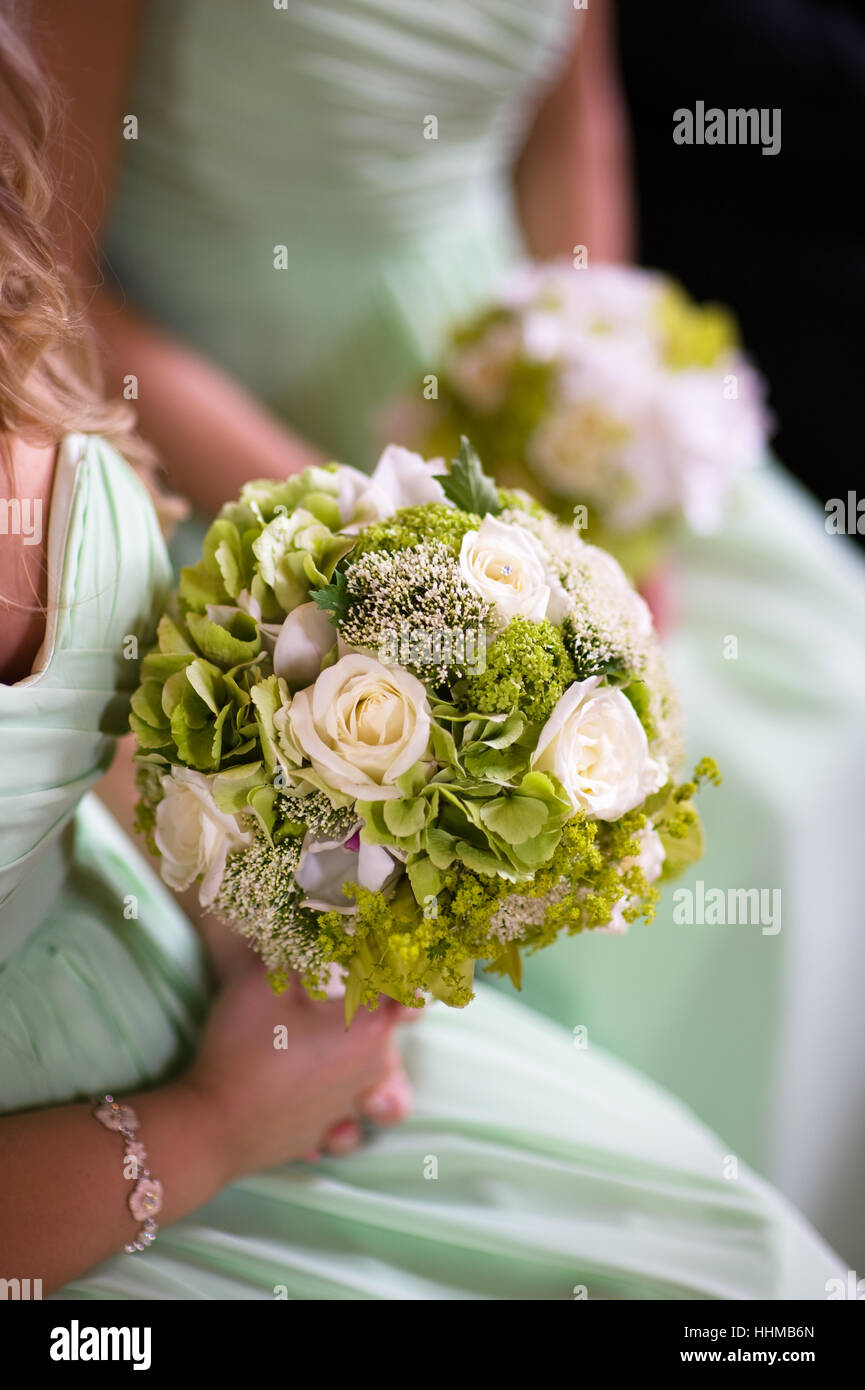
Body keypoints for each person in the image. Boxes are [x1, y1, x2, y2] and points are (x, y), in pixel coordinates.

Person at [5, 0, 851, 1297]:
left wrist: (604, 437)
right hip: (253, 393)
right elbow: (74, 283)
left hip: (178, 958)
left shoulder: (29, 365)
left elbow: (577, 123)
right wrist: (395, 544)